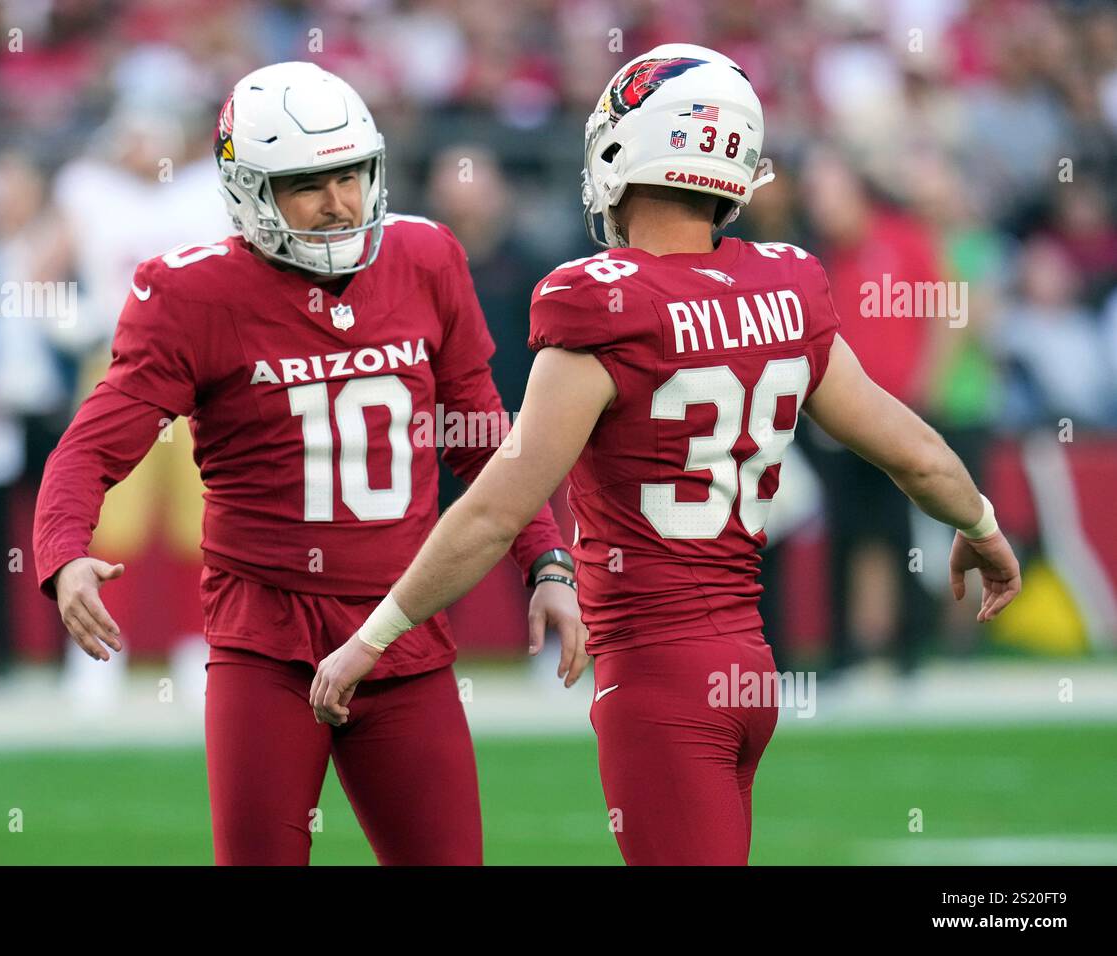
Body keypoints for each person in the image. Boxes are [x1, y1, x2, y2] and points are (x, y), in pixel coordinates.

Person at [311, 44, 1023, 865]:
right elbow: (919, 456)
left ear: (624, 152)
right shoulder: (786, 287)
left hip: (659, 679)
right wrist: (980, 522)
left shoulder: (602, 303)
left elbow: (497, 508)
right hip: (750, 667)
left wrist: (375, 635)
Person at [33, 61, 583, 865]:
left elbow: (480, 432)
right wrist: (64, 552)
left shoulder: (426, 257)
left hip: (403, 627)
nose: (339, 202)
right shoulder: (192, 294)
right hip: (268, 643)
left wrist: (547, 559)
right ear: (250, 192)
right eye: (306, 184)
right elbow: (92, 443)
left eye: (350, 174)